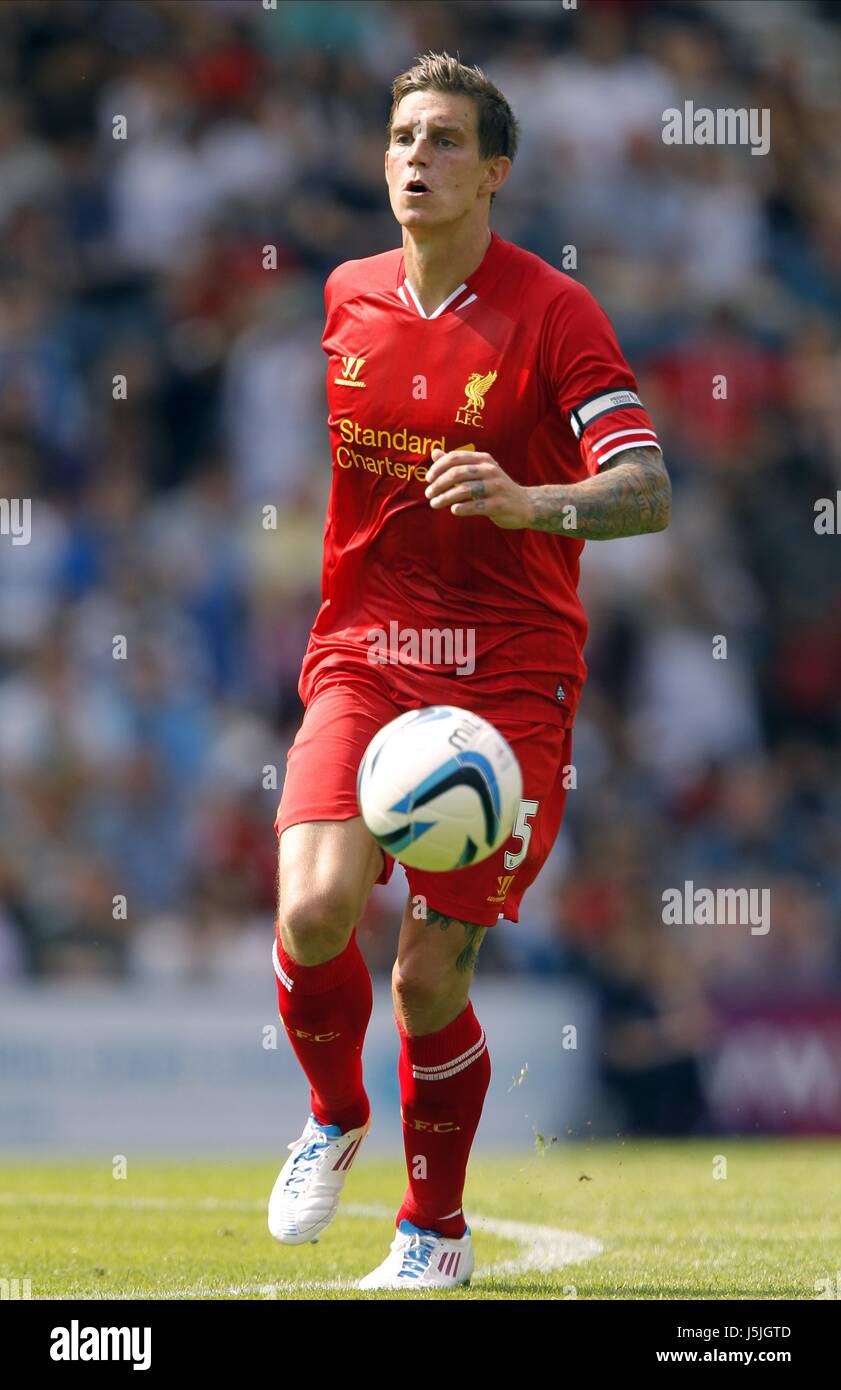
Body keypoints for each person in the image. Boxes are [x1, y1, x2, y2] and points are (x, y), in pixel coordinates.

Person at [267, 51, 671, 1290]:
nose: (415, 158)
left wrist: (527, 498)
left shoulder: (554, 313)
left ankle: (431, 1233)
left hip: (506, 678)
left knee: (428, 966)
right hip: (366, 651)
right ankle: (335, 1113)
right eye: (401, 136)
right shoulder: (345, 295)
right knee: (310, 907)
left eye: (444, 141)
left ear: (493, 173)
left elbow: (648, 492)